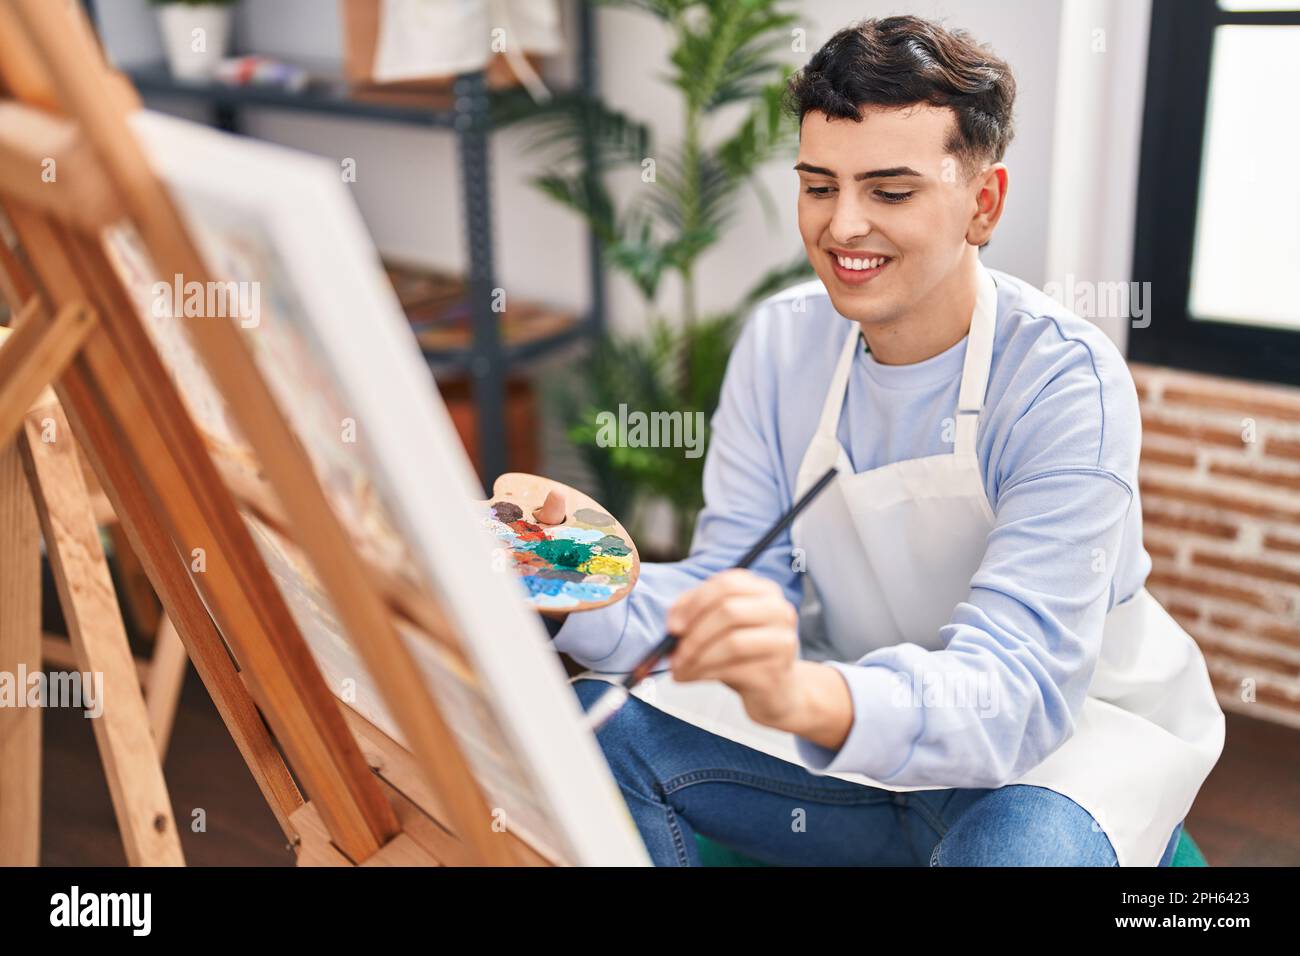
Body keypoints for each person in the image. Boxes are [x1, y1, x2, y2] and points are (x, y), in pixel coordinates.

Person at [547, 15, 1225, 867]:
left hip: (1059, 753)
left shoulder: (1064, 381)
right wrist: (569, 587)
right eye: (819, 186)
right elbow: (736, 585)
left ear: (983, 204)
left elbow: (1018, 691)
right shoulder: (782, 343)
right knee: (590, 726)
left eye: (890, 192)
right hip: (852, 725)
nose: (842, 228)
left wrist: (812, 698)